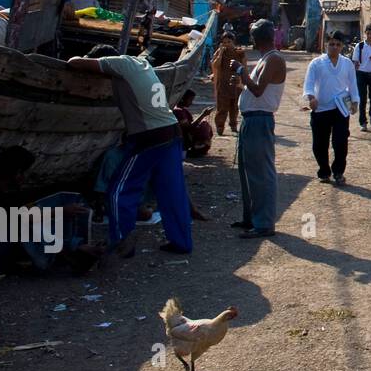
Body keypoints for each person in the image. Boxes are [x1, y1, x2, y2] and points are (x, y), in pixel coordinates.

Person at [67, 44, 193, 255]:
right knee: (172, 190)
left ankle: (122, 238)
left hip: (149, 136)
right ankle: (182, 242)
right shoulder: (141, 64)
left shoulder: (118, 64)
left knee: (119, 189)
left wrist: (86, 60)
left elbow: (74, 62)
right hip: (172, 131)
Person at [233, 19, 288, 237]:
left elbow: (257, 90)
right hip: (252, 120)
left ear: (259, 38)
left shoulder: (273, 59)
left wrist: (241, 71)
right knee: (249, 172)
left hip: (259, 121)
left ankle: (264, 223)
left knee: (261, 174)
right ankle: (252, 219)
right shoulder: (267, 58)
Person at [304, 30, 359, 185]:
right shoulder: (316, 63)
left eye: (338, 44)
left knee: (341, 142)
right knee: (319, 144)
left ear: (342, 47)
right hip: (321, 109)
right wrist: (311, 97)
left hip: (341, 109)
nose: (334, 47)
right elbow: (309, 84)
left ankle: (338, 172)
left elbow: (353, 84)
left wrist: (355, 102)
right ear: (326, 45)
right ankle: (324, 171)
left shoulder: (347, 63)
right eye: (331, 44)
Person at [210, 30, 245, 135]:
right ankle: (220, 127)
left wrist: (243, 82)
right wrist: (220, 53)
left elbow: (244, 67)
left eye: (229, 42)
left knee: (234, 107)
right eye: (224, 42)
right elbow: (215, 65)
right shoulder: (220, 52)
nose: (227, 44)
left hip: (235, 84)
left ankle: (233, 125)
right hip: (223, 84)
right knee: (222, 107)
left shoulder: (239, 52)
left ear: (233, 41)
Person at [173, 89, 214, 158]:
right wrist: (203, 115)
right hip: (183, 140)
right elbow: (188, 128)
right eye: (190, 100)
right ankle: (187, 153)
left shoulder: (183, 110)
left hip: (186, 139)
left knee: (204, 124)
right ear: (183, 99)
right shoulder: (178, 111)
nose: (191, 102)